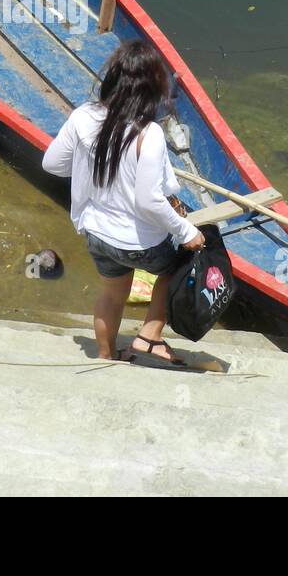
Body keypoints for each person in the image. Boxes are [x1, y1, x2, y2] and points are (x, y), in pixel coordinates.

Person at [42, 40, 205, 364]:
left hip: (97, 235)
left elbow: (52, 164)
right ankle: (149, 337)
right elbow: (148, 201)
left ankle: (106, 357)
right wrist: (187, 233)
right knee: (178, 267)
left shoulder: (83, 116)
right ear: (151, 89)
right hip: (139, 241)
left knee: (112, 295)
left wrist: (90, 172)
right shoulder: (149, 133)